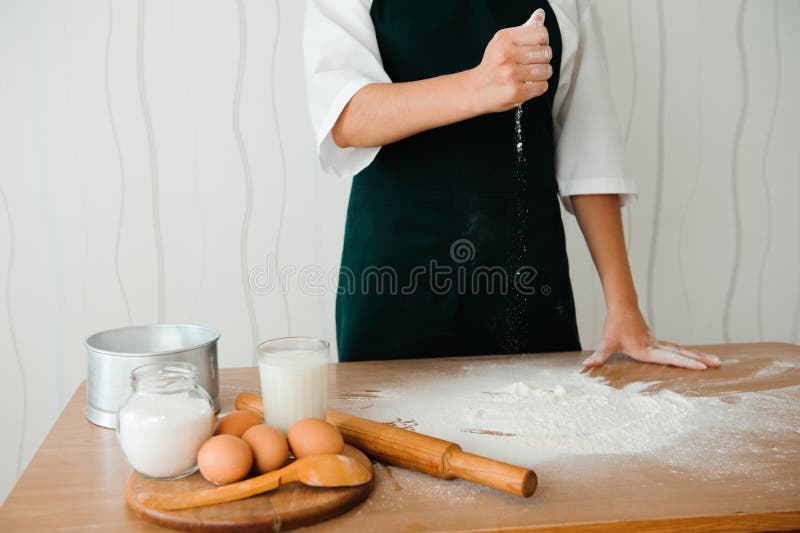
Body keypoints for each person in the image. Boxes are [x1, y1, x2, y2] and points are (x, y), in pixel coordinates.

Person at [303, 0, 720, 370]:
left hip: (526, 275)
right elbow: (346, 117)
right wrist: (479, 86)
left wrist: (624, 306)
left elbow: (590, 156)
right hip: (395, 277)